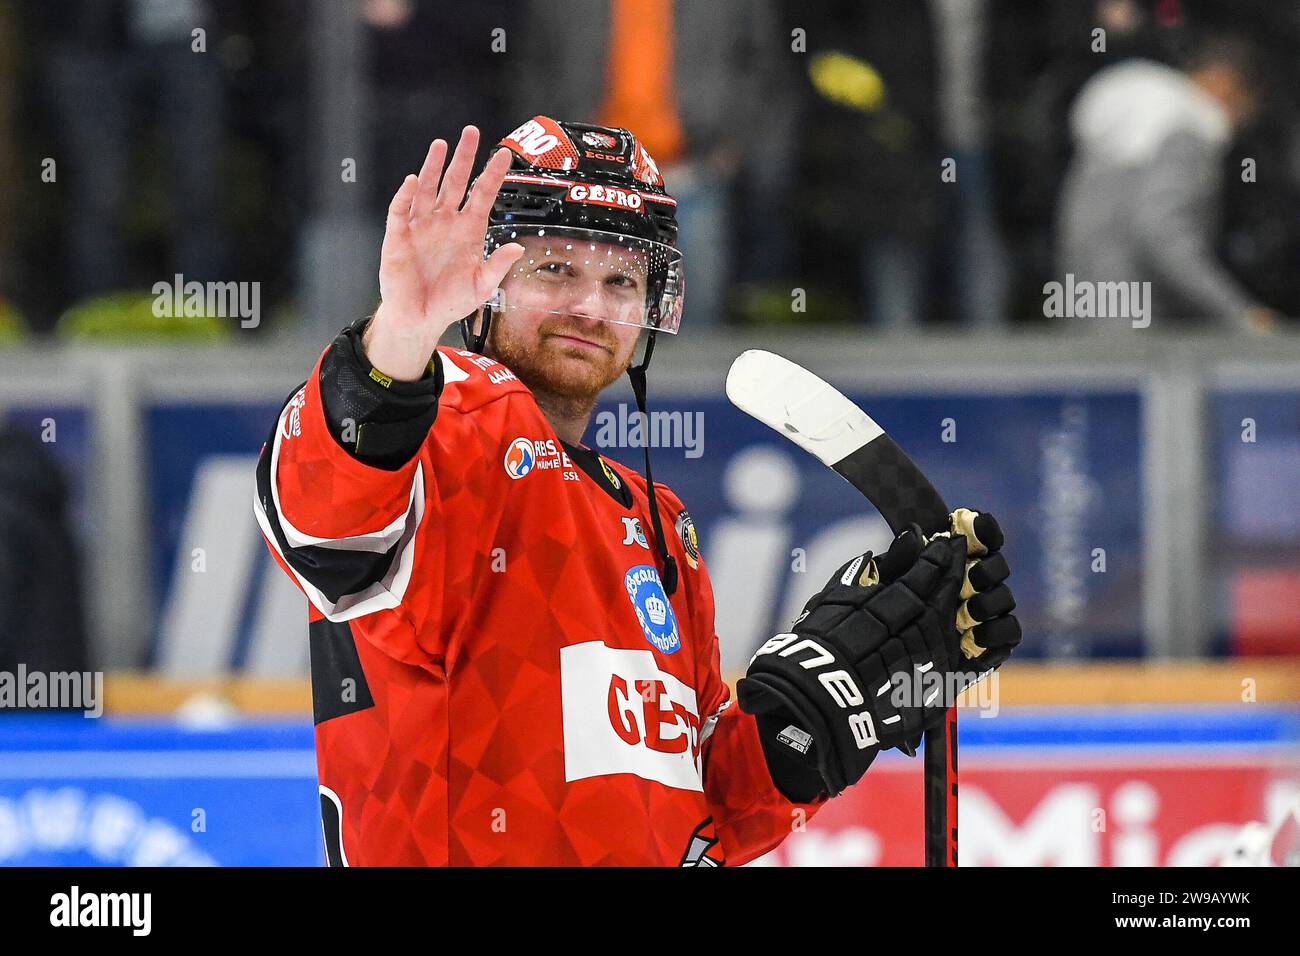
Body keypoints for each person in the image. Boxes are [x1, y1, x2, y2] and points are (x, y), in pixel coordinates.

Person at [254, 117, 1022, 866]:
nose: (592, 305)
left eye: (622, 279)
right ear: (483, 283)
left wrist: (826, 694)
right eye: (554, 268)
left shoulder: (658, 523)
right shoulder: (451, 417)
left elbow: (707, 816)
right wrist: (398, 339)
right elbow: (324, 515)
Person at [1055, 36, 1278, 332]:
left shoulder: (1127, 129)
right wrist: (1240, 314)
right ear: (1225, 82)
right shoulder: (1188, 130)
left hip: (1091, 313)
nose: (1239, 125)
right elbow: (1162, 235)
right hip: (1141, 338)